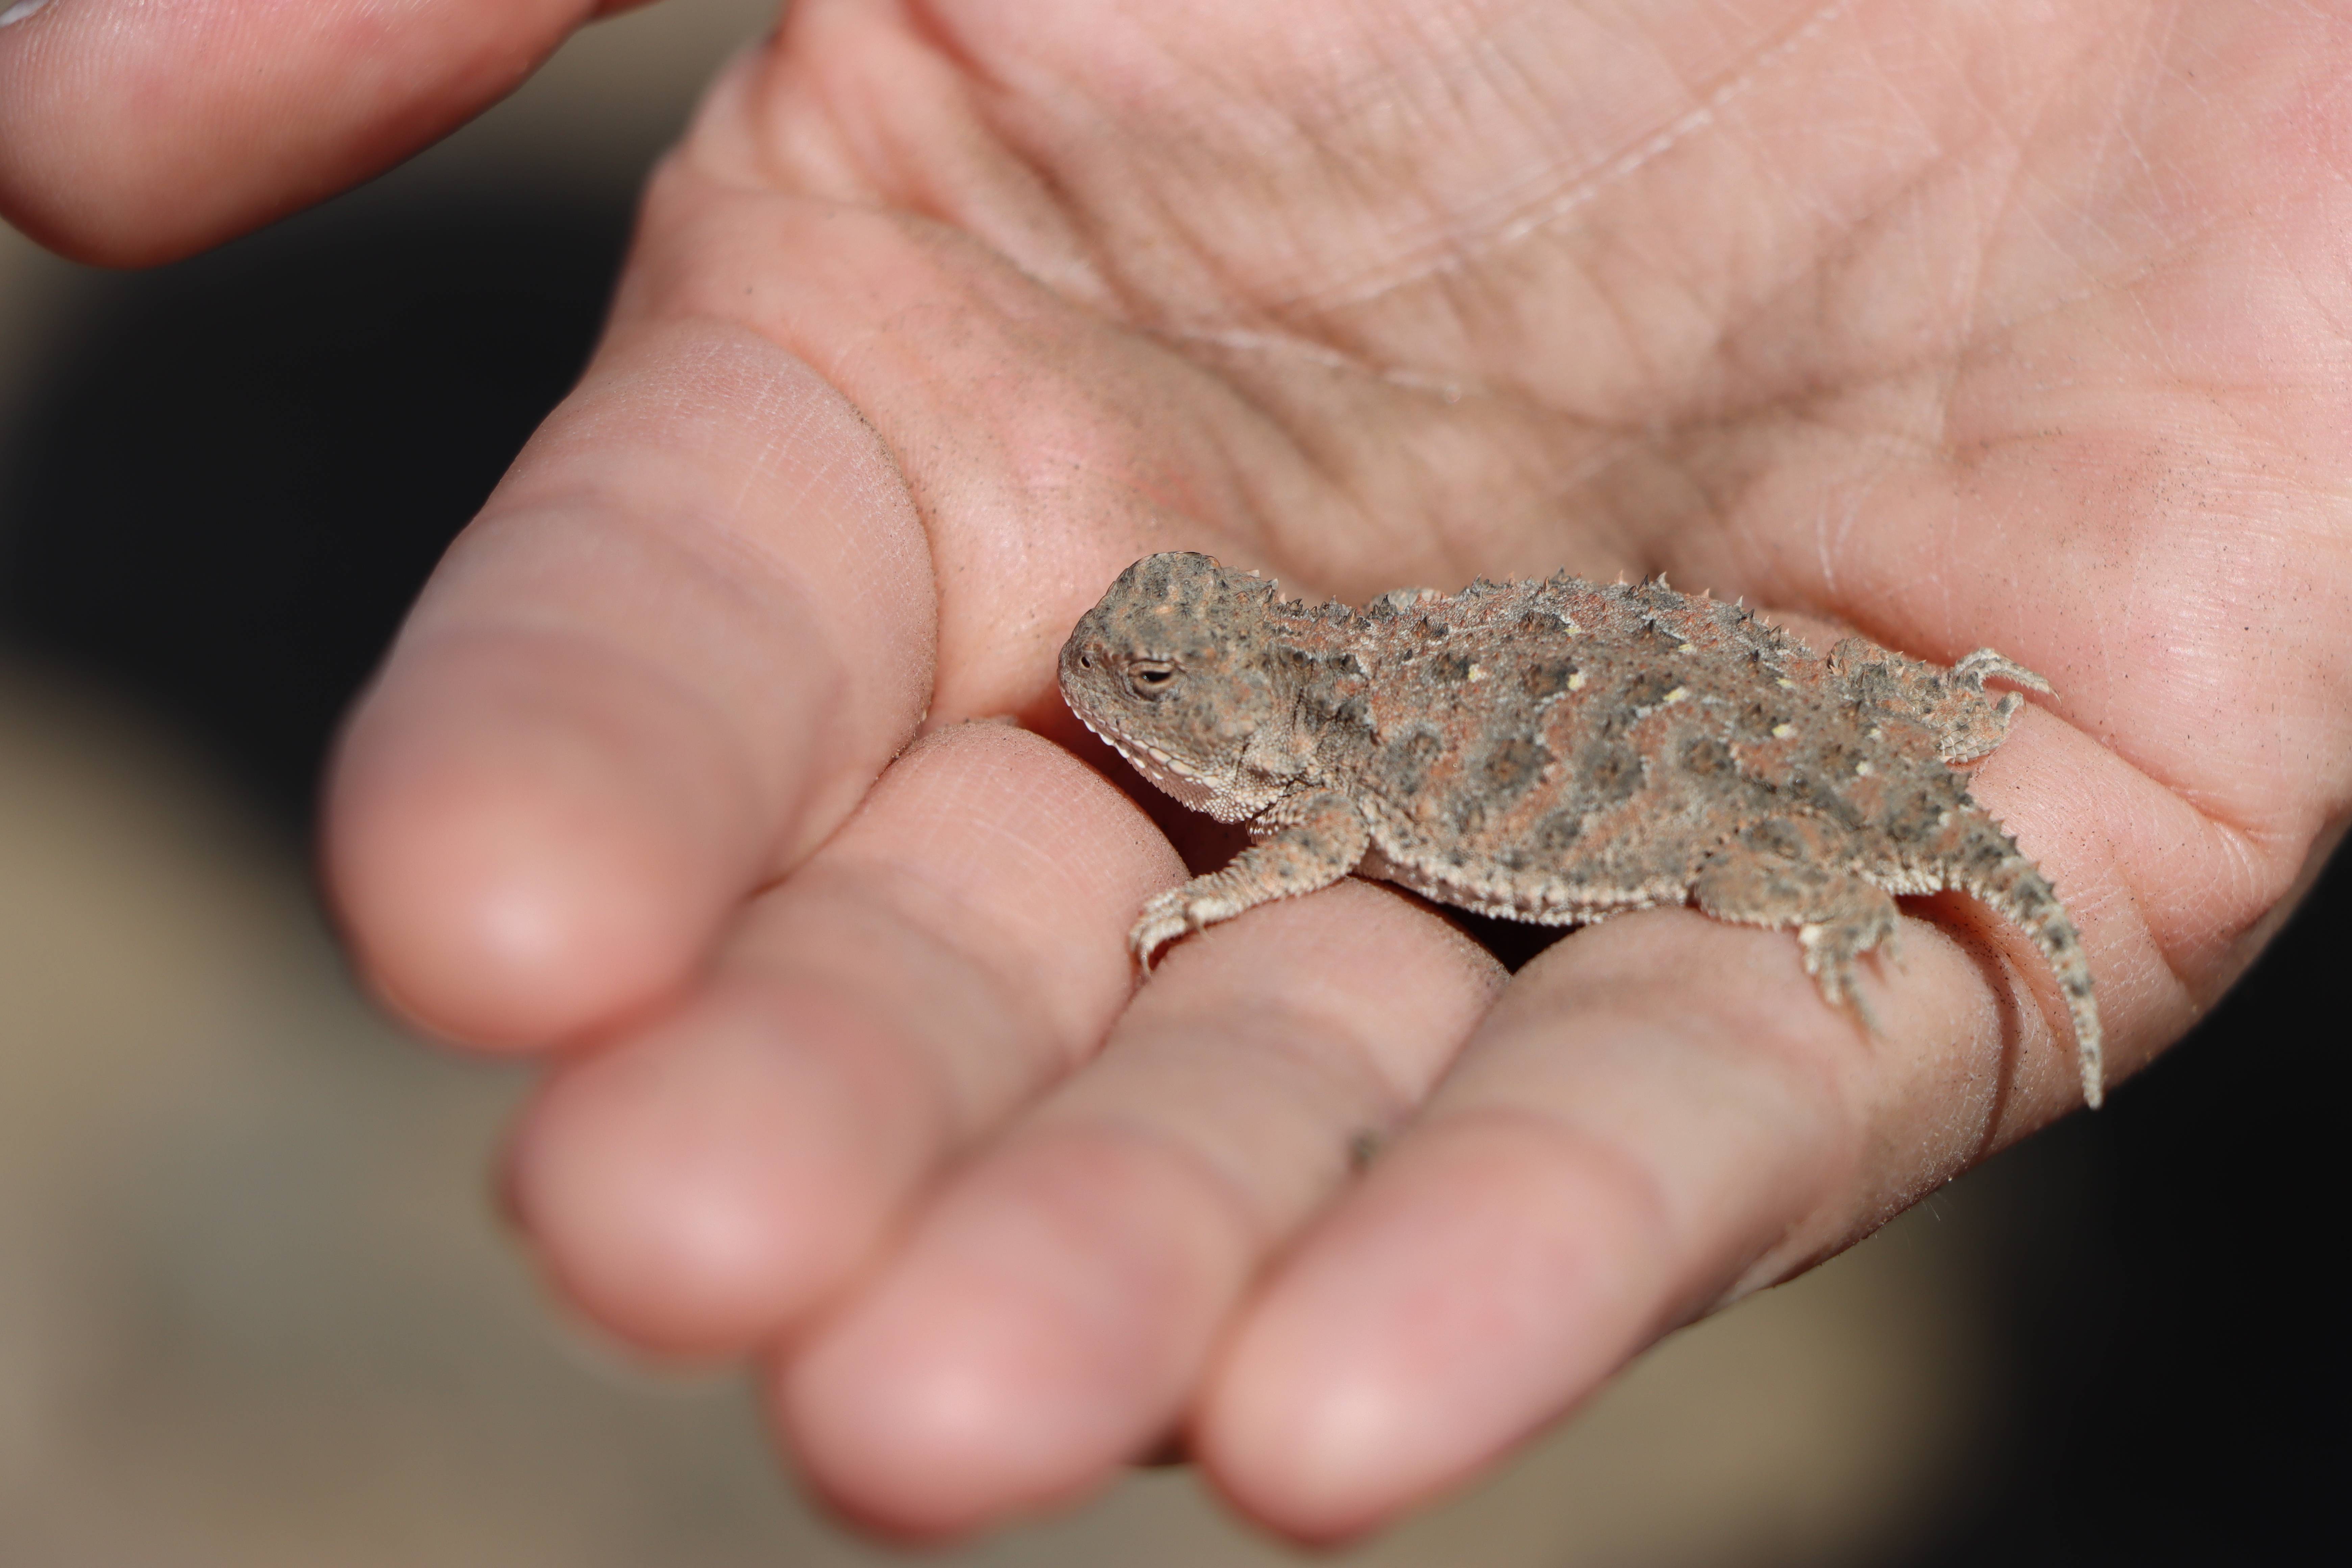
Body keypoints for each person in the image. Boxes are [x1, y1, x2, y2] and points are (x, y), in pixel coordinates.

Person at [5, 0, 2344, 1543]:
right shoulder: (1316, 674)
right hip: (1710, 704)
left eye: (1156, 708)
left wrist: (1211, 896)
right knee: (1752, 736)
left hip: (1680, 765)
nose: (1119, 707)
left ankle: (1901, 925)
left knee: (1740, 810)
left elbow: (1318, 823)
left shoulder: (1316, 762)